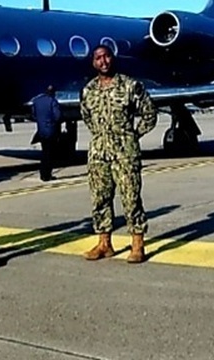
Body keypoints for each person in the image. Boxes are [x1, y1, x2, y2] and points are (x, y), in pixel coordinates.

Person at [80, 45, 157, 264]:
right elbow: (86, 116)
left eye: (106, 56)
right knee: (100, 199)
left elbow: (149, 113)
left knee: (131, 199)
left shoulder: (130, 86)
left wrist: (132, 136)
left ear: (113, 59)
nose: (103, 61)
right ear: (93, 63)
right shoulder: (88, 90)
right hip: (98, 154)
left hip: (125, 154)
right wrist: (100, 137)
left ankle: (137, 244)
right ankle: (104, 244)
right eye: (98, 58)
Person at [30, 85, 62, 181]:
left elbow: (34, 115)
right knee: (49, 154)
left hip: (41, 130)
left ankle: (43, 173)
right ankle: (47, 174)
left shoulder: (36, 101)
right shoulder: (52, 101)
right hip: (51, 131)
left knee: (44, 153)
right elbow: (58, 116)